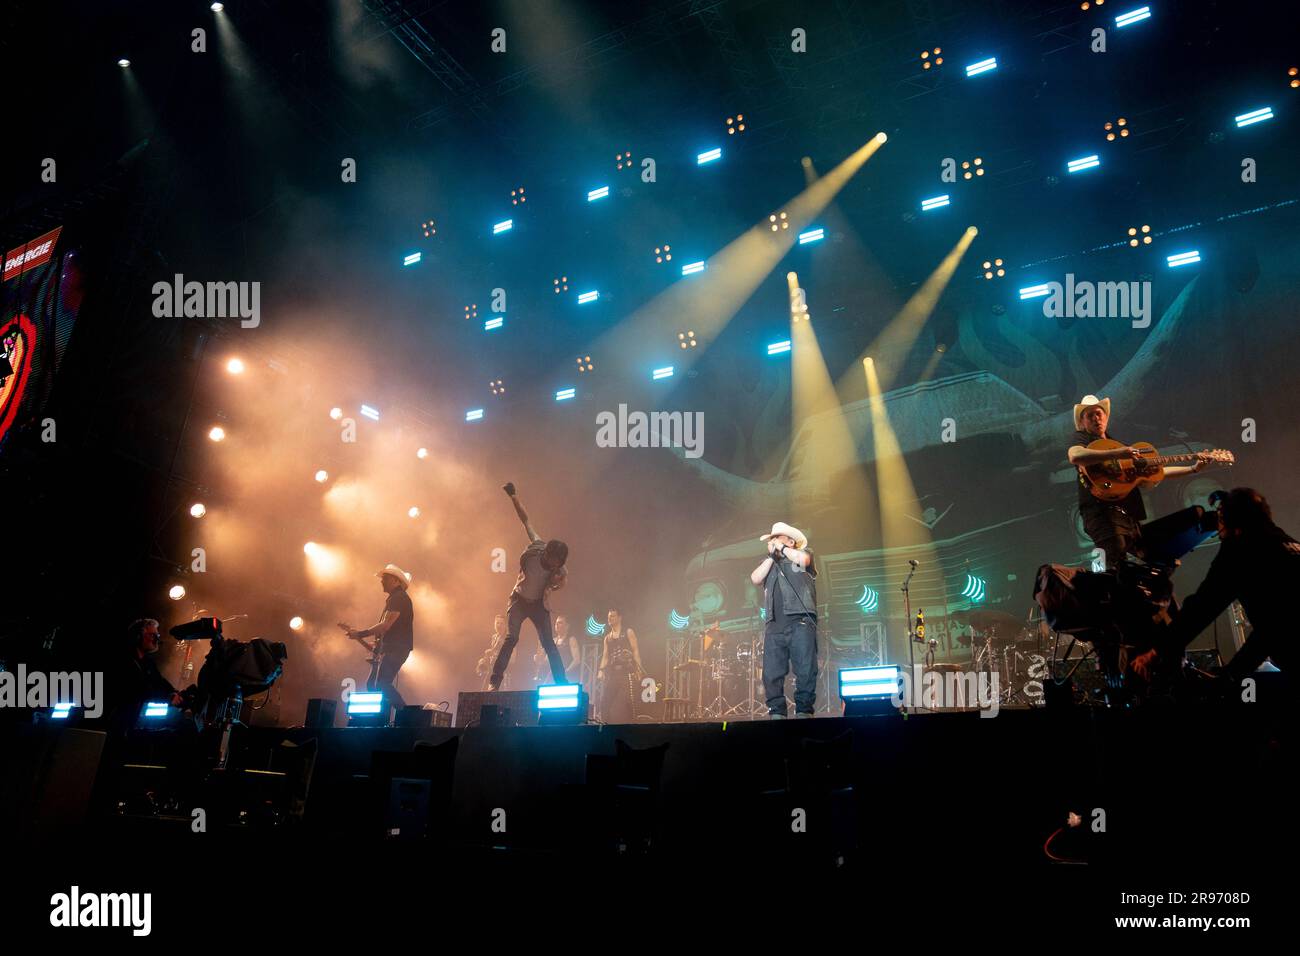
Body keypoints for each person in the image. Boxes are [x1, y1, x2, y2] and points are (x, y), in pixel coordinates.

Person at [1132, 488, 1296, 684]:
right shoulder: (1287, 543)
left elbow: (1202, 607)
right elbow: (1274, 627)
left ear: (1228, 520)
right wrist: (1234, 672)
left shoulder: (1242, 548)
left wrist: (1156, 651)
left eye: (1220, 518)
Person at [1067, 394, 1207, 569]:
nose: (1096, 418)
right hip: (1101, 514)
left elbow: (1156, 472)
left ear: (1106, 417)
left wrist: (1193, 468)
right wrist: (1118, 453)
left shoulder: (1121, 446)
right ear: (1082, 422)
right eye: (1090, 415)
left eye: (1098, 413)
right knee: (1117, 564)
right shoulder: (1082, 438)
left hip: (1128, 516)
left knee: (1148, 565)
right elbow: (1075, 455)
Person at [489, 482, 569, 691]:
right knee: (511, 638)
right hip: (519, 600)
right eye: (554, 561)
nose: (555, 565)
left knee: (549, 643)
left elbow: (564, 580)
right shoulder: (536, 548)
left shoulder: (558, 568)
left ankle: (562, 683)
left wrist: (556, 585)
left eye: (558, 563)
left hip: (538, 605)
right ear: (547, 554)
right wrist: (513, 496)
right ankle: (494, 681)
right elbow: (525, 521)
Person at [750, 521, 818, 718]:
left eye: (776, 538)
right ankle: (777, 712)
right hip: (774, 624)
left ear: (790, 541)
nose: (771, 542)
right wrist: (772, 556)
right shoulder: (769, 563)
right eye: (771, 539)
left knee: (805, 668)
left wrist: (782, 548)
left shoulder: (802, 555)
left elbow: (803, 560)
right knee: (771, 672)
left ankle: (804, 711)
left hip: (800, 621)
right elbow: (755, 578)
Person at [343, 564, 414, 710]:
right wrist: (363, 638)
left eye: (385, 578)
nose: (382, 581)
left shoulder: (399, 598)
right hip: (392, 648)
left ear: (396, 581)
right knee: (374, 685)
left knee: (382, 683)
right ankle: (387, 716)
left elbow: (385, 625)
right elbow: (385, 629)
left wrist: (360, 634)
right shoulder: (395, 598)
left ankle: (407, 714)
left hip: (397, 649)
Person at [108, 617, 184, 732]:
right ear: (138, 636)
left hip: (136, 722)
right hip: (121, 723)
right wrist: (167, 698)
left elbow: (159, 681)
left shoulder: (148, 662)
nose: (157, 639)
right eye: (153, 635)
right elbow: (139, 690)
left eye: (157, 635)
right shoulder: (123, 660)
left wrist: (174, 692)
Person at [597, 608, 643, 723]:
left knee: (630, 701)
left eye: (612, 616)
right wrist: (601, 670)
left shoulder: (628, 632)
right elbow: (605, 656)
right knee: (605, 701)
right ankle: (605, 726)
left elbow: (636, 651)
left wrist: (638, 669)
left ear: (619, 618)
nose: (610, 618)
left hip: (627, 672)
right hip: (614, 673)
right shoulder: (607, 638)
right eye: (609, 616)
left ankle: (634, 725)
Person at [534, 614, 578, 683]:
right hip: (552, 676)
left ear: (567, 626)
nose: (557, 625)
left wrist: (567, 671)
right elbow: (546, 660)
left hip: (566, 676)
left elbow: (577, 660)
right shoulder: (552, 641)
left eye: (560, 623)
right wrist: (538, 658)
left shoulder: (571, 640)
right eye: (556, 623)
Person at [478, 614, 509, 690]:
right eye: (497, 623)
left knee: (494, 691)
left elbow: (511, 657)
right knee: (484, 691)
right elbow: (493, 652)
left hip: (502, 671)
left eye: (501, 623)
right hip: (492, 669)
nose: (499, 625)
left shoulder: (508, 638)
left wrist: (494, 654)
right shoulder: (494, 637)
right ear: (494, 624)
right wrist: (485, 660)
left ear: (505, 625)